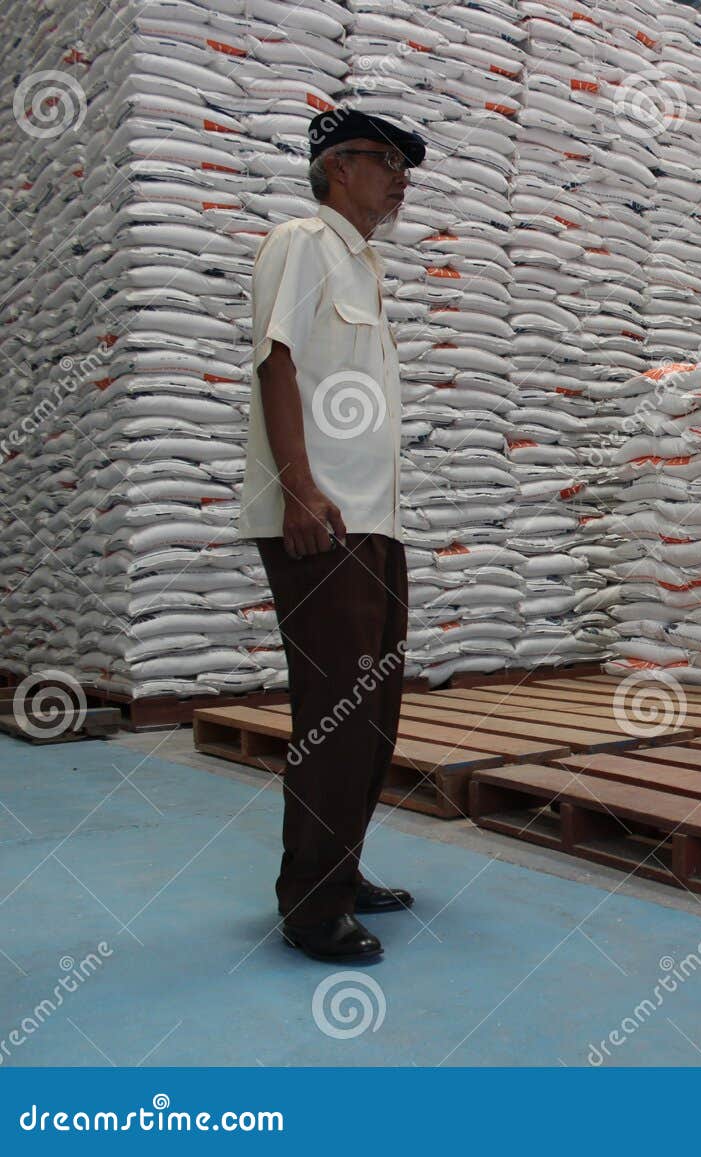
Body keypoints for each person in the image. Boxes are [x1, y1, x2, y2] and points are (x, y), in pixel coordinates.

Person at [237, 109, 426, 964]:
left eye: (403, 167)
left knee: (374, 711)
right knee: (335, 713)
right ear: (336, 166)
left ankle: (339, 871)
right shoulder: (303, 243)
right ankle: (312, 905)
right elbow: (276, 360)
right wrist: (299, 489)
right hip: (322, 519)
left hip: (372, 522)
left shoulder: (367, 266)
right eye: (387, 161)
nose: (400, 179)